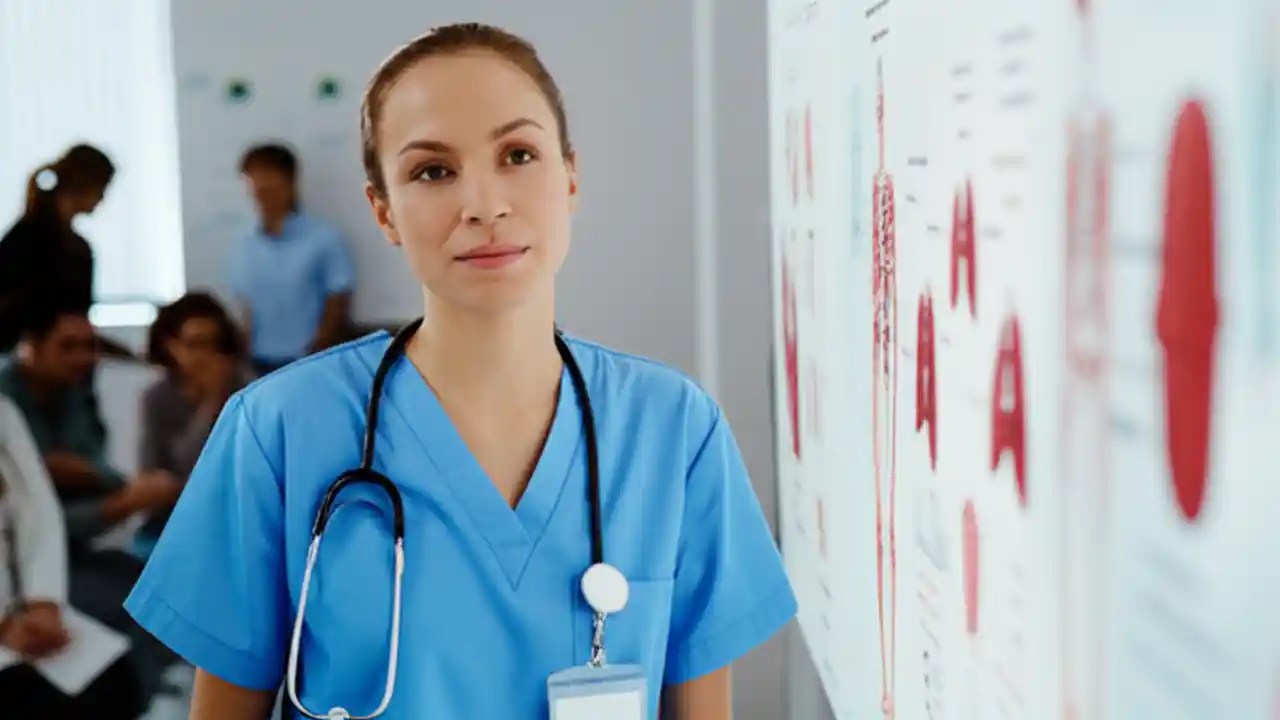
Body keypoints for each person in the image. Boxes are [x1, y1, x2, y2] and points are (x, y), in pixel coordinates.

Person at [126, 22, 796, 719]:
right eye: (433, 171)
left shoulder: (673, 430)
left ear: (570, 178)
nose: (484, 205)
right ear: (384, 211)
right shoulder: (279, 432)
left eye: (518, 154)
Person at [0, 394, 148, 719]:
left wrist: (43, 602)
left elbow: (36, 510)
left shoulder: (3, 413)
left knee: (113, 681)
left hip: (23, 609)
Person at [135, 292, 249, 558]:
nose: (205, 356)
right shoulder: (158, 398)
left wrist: (217, 398)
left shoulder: (247, 392)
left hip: (233, 520)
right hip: (172, 521)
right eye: (195, 344)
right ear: (171, 346)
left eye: (214, 345)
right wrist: (210, 404)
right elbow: (156, 478)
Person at [228, 143, 356, 375]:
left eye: (270, 183)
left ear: (291, 183)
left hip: (310, 363)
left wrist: (318, 351)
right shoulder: (244, 244)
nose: (263, 191)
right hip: (259, 366)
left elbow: (338, 299)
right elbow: (246, 307)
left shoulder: (324, 238)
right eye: (256, 184)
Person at [0, 144, 115, 354]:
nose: (102, 199)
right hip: (28, 352)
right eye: (102, 188)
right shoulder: (30, 240)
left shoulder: (75, 246)